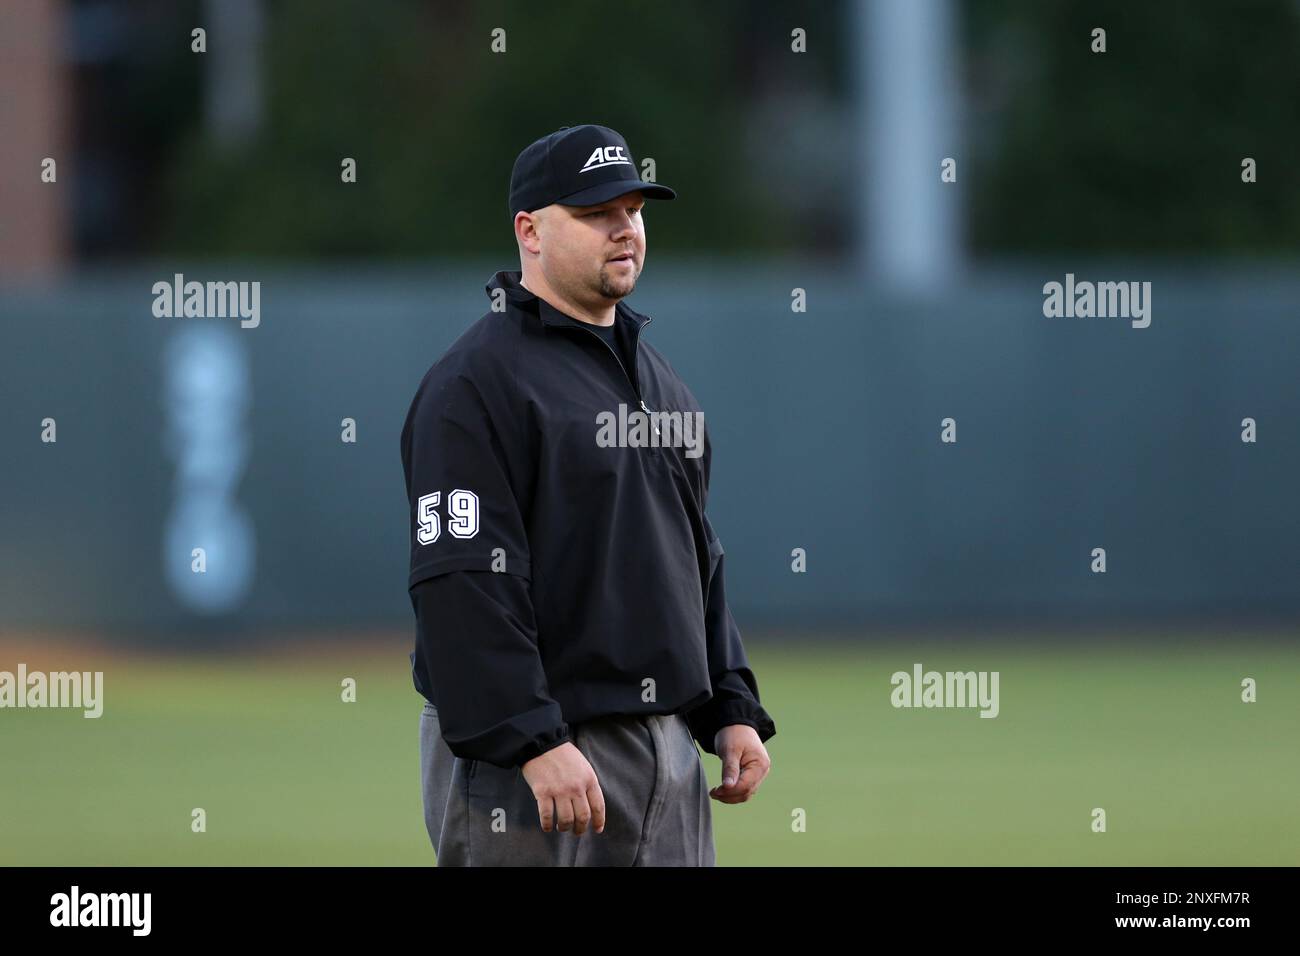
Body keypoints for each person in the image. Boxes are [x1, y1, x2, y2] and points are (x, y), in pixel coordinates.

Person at [401, 124, 775, 866]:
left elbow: (694, 555)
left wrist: (729, 704)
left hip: (664, 751)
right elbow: (462, 584)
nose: (624, 228)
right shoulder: (475, 386)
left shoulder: (658, 379)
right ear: (529, 231)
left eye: (633, 209)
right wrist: (533, 739)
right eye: (597, 212)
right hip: (536, 767)